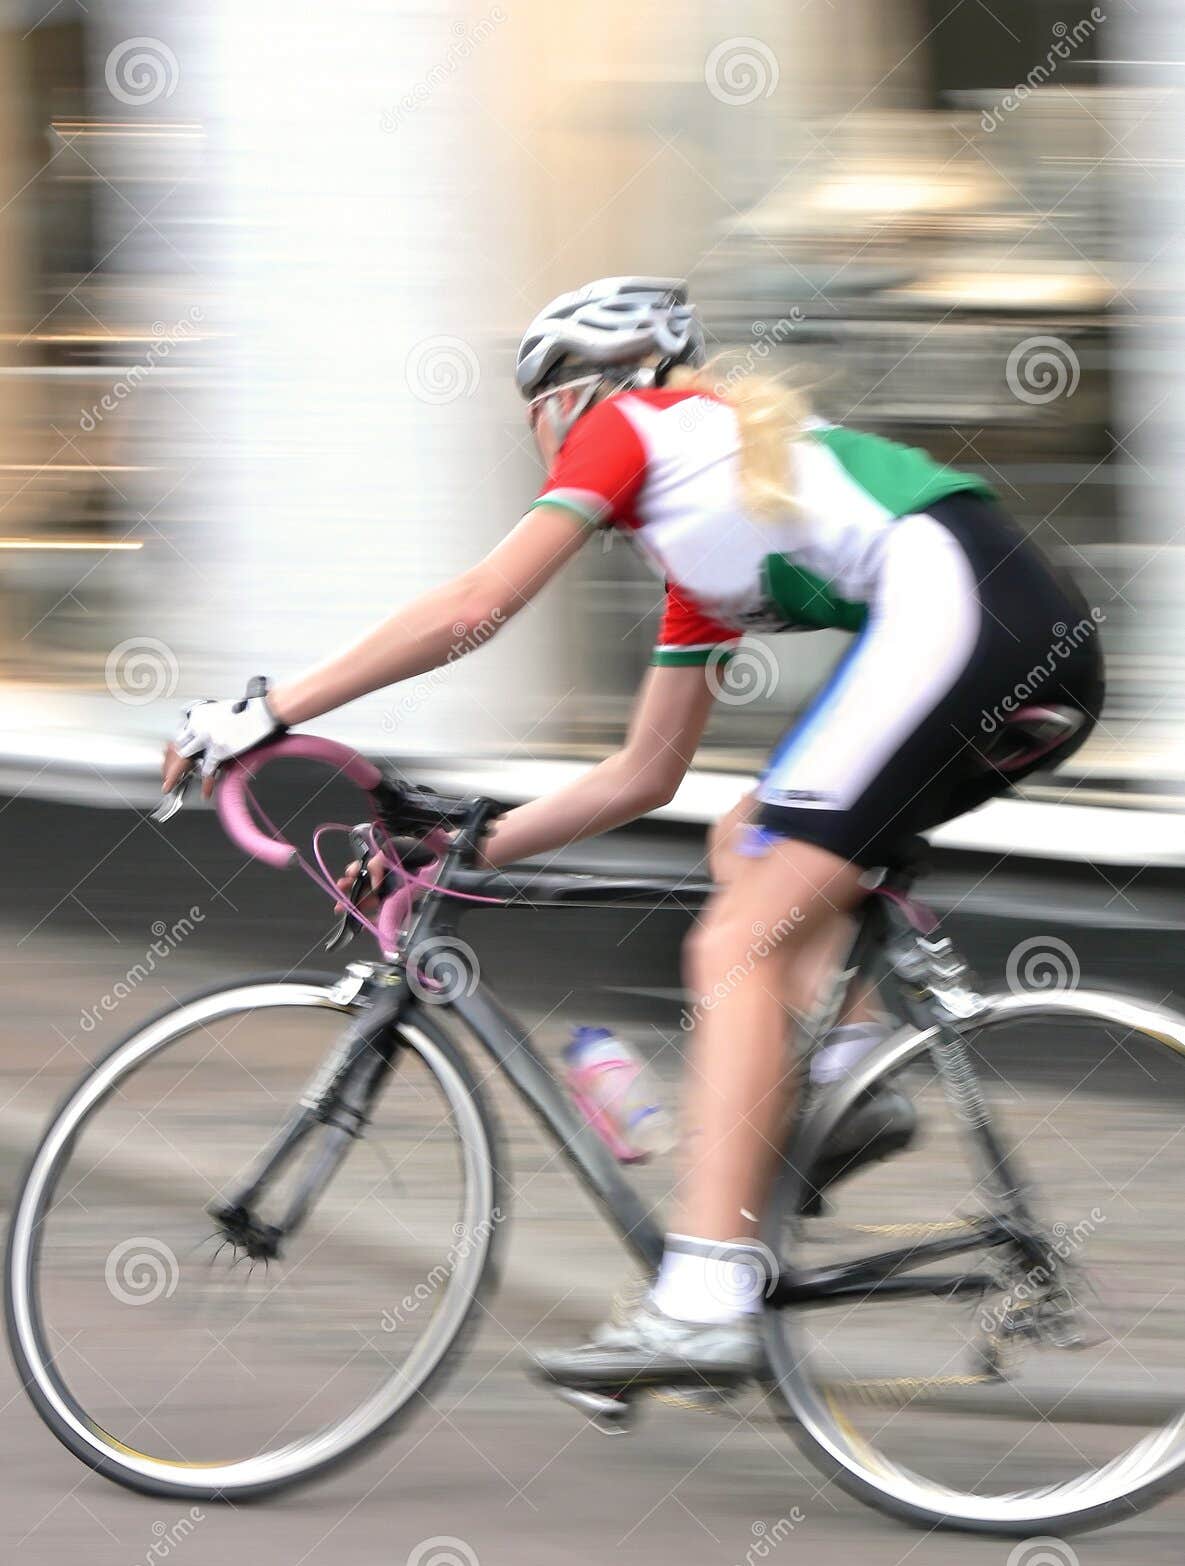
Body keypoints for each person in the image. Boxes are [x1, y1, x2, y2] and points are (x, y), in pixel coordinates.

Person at [162, 276, 1104, 1393]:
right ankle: (848, 1081)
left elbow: (476, 607)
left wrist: (265, 713)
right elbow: (644, 774)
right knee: (748, 839)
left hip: (969, 612)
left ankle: (704, 1301)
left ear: (576, 394)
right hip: (1016, 637)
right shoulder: (705, 531)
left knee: (737, 943)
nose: (547, 450)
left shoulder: (637, 425)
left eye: (537, 421)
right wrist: (458, 853)